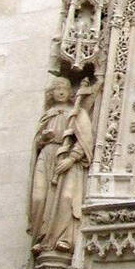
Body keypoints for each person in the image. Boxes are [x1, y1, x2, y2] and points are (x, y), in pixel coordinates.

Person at [28, 77, 95, 255]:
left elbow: (85, 139)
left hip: (67, 158)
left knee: (66, 197)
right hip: (46, 155)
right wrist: (43, 139)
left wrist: (71, 158)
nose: (61, 91)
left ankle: (63, 239)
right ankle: (41, 237)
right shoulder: (48, 114)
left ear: (70, 91)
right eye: (57, 88)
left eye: (64, 87)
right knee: (39, 198)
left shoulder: (77, 112)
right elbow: (36, 142)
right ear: (51, 92)